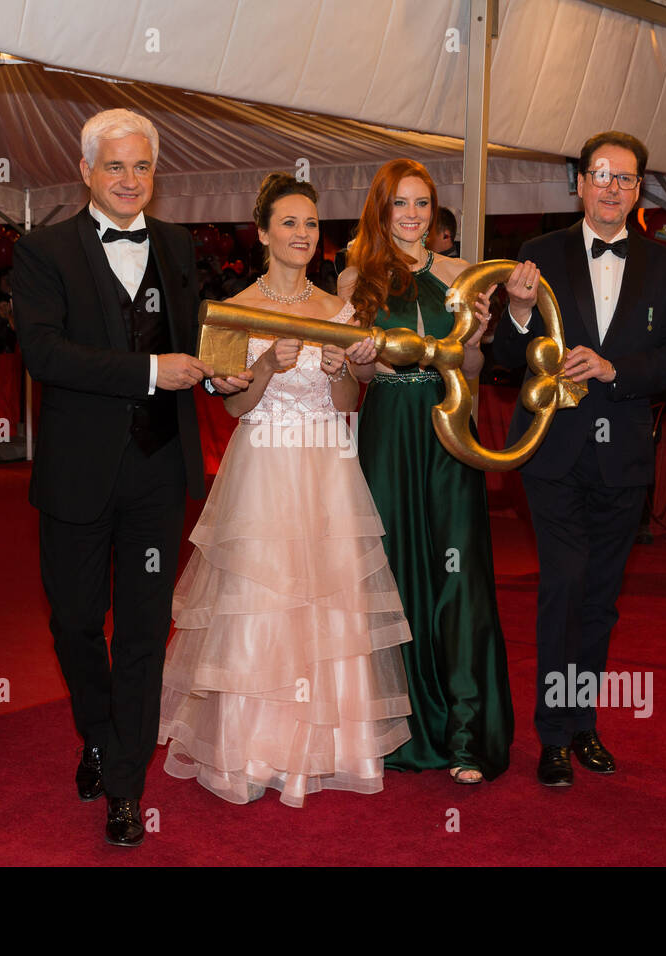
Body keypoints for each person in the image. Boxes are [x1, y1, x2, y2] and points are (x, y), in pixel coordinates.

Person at [12, 108, 247, 847]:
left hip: (156, 473)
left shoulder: (176, 245)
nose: (128, 180)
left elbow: (189, 341)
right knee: (77, 623)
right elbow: (44, 355)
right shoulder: (43, 250)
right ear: (85, 171)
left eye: (142, 167)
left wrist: (218, 375)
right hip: (77, 475)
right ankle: (97, 730)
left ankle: (124, 780)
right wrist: (149, 371)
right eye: (115, 166)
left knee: (144, 631)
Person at [158, 173, 412, 806]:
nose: (303, 234)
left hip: (328, 466)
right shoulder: (236, 307)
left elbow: (351, 401)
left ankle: (328, 748)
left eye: (311, 224)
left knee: (328, 599)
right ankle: (253, 747)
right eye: (290, 224)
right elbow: (234, 409)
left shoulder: (340, 309)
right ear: (264, 232)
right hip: (264, 470)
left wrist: (341, 373)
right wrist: (269, 364)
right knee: (260, 600)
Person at [487, 131, 666, 787]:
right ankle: (552, 734)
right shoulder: (538, 254)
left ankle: (584, 726)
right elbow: (504, 361)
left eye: (625, 178)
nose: (610, 187)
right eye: (599, 174)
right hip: (552, 450)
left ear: (638, 191)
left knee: (601, 599)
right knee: (563, 586)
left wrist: (613, 367)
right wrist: (519, 313)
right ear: (579, 182)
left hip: (625, 458)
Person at [340, 158, 512, 786]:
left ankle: (466, 735)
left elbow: (468, 368)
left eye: (421, 204)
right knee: (393, 573)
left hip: (447, 429)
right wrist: (359, 361)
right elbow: (357, 377)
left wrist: (477, 341)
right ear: (381, 212)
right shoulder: (357, 277)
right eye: (399, 205)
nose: (412, 216)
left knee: (457, 576)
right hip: (388, 433)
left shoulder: (462, 275)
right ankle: (397, 732)